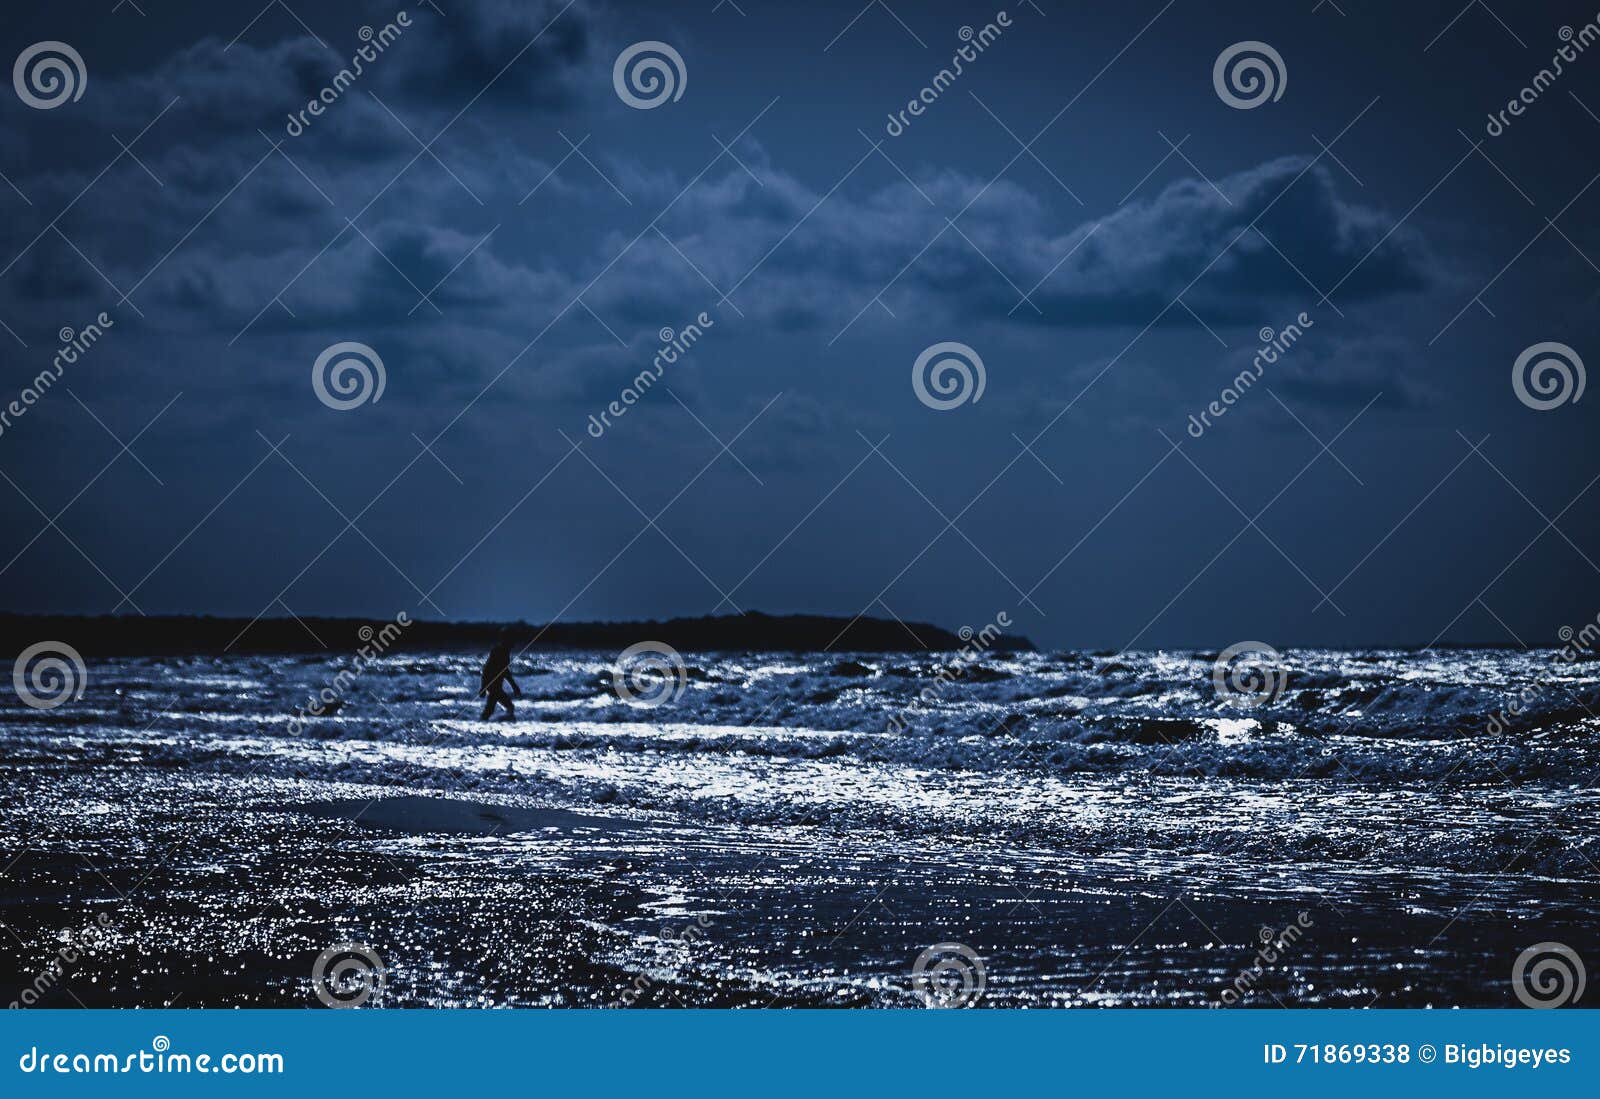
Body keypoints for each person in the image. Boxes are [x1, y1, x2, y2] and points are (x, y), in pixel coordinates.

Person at [478, 632, 521, 720]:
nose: (514, 643)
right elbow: (487, 669)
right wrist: (483, 687)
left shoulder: (504, 651)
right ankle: (505, 724)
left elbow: (504, 671)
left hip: (495, 686)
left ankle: (484, 724)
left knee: (490, 709)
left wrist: (514, 686)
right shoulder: (499, 651)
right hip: (493, 686)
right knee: (509, 707)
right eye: (513, 640)